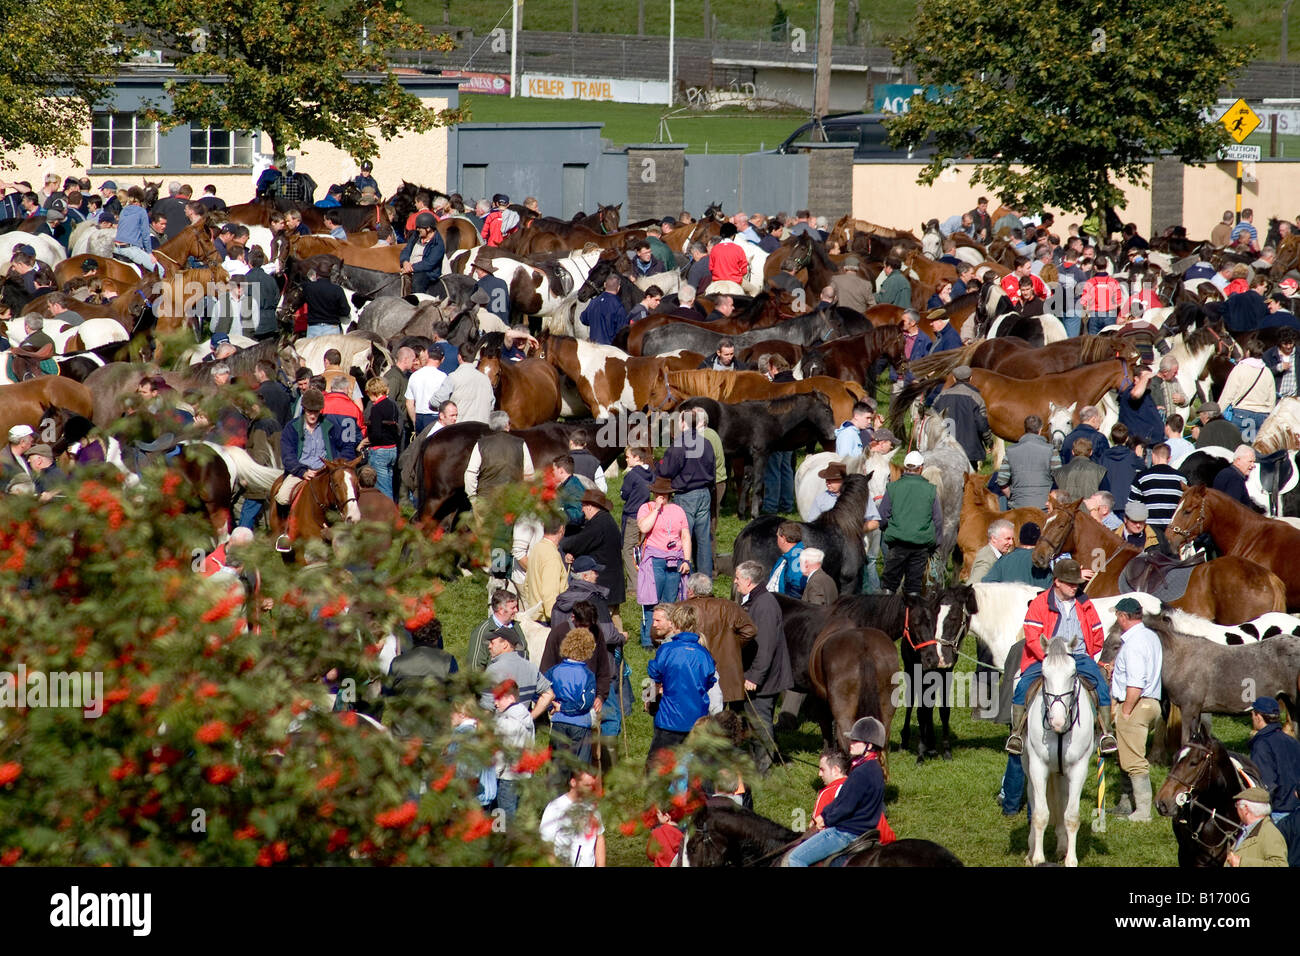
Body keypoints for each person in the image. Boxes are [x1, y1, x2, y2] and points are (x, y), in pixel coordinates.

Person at [1005, 559, 1118, 757]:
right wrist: (1049, 658)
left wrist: (1088, 654)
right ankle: (1017, 734)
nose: (1075, 587)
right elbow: (1032, 638)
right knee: (1022, 687)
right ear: (1057, 581)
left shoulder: (1085, 603)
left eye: (1076, 583)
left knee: (1100, 683)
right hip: (1045, 657)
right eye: (1070, 583)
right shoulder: (1040, 603)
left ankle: (1105, 733)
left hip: (1079, 656)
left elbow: (1097, 633)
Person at [785, 716, 887, 866]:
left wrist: (826, 819)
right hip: (866, 831)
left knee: (795, 858)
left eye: (855, 740)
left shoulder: (861, 772)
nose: (850, 743)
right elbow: (841, 801)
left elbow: (845, 806)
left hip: (846, 832)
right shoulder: (875, 768)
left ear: (869, 745)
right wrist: (823, 815)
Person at [1098, 598, 1164, 821]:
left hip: (1136, 704)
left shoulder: (1134, 644)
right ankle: (1128, 805)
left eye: (1117, 615)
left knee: (1133, 760)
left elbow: (1135, 683)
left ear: (1124, 617)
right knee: (1129, 755)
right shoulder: (1150, 637)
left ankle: (1143, 812)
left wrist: (1126, 710)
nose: (1117, 619)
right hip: (1152, 703)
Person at [733, 560, 793, 774]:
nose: (735, 582)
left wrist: (755, 677)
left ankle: (763, 769)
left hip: (763, 679)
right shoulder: (754, 600)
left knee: (760, 722)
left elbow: (765, 645)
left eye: (737, 578)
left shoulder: (764, 605)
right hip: (757, 675)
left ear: (748, 581)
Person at [645, 603, 717, 768]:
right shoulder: (704, 653)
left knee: (658, 766)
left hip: (669, 718)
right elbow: (710, 680)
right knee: (694, 768)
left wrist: (649, 697)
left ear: (675, 624)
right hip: (697, 718)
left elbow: (654, 675)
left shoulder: (667, 649)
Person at [656, 409, 715, 577]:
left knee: (683, 538)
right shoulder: (707, 443)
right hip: (704, 493)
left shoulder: (679, 445)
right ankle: (705, 580)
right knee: (703, 540)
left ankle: (685, 577)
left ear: (683, 423)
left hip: (686, 495)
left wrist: (657, 464)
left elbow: (666, 470)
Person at [684, 572, 756, 708]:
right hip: (726, 671)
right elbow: (750, 630)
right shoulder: (729, 606)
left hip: (692, 668)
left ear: (691, 591)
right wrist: (732, 645)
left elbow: (659, 633)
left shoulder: (682, 608)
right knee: (724, 719)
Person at [636, 476, 692, 648]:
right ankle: (648, 640)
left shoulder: (678, 511)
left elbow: (685, 536)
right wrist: (656, 509)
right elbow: (644, 528)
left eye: (666, 494)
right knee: (651, 601)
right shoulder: (646, 508)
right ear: (654, 493)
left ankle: (668, 639)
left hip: (675, 559)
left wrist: (687, 560)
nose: (663, 496)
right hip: (654, 560)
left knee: (670, 602)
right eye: (659, 493)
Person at [560, 491, 624, 608]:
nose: (582, 510)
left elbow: (576, 543)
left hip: (603, 586)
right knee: (614, 623)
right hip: (611, 585)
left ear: (589, 507)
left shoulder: (597, 524)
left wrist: (570, 549)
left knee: (604, 623)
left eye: (583, 506)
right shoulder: (606, 519)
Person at [545, 627, 599, 765]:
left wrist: (552, 706)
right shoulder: (588, 675)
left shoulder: (554, 671)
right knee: (580, 772)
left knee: (557, 770)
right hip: (580, 726)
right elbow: (585, 703)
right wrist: (564, 707)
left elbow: (541, 693)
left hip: (558, 724)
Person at [1247, 696, 1300, 822]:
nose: (1252, 718)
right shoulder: (1293, 741)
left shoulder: (1262, 745)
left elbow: (1266, 785)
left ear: (1258, 716)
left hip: (1278, 813)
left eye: (1253, 714)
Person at [538, 767, 606, 867]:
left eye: (592, 786)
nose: (590, 790)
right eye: (586, 785)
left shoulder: (592, 806)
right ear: (573, 783)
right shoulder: (555, 807)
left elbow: (599, 837)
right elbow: (546, 844)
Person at [1128, 443, 1186, 552]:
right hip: (1173, 530)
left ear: (1153, 456)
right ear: (1169, 458)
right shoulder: (1181, 478)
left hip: (1150, 532)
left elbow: (1133, 506)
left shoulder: (1142, 477)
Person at [491, 679, 534, 822]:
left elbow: (503, 753)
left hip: (506, 777)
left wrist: (494, 774)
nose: (495, 703)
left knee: (502, 815)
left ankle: (503, 842)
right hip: (523, 775)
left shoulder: (507, 721)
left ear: (511, 698)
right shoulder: (526, 716)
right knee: (517, 812)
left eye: (498, 699)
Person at [932, 366, 991, 469]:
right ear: (971, 378)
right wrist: (989, 443)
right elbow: (982, 425)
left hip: (944, 449)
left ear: (954, 378)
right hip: (969, 452)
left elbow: (931, 422)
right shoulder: (976, 397)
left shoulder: (941, 396)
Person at [996, 415, 1059, 511]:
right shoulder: (1051, 450)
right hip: (1044, 506)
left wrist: (1012, 496)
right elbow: (1059, 477)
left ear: (1025, 429)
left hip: (1019, 507)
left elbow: (1001, 480)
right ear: (1040, 430)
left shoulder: (1010, 450)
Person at [1217, 338, 1275, 440]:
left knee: (1240, 448)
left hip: (1242, 414)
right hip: (1263, 416)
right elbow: (1272, 400)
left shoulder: (1240, 369)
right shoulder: (1267, 372)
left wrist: (1216, 414)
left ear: (1247, 352)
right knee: (1257, 451)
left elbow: (1228, 394)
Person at [521, 515, 568, 625]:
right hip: (548, 620)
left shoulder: (537, 548)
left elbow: (527, 585)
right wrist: (557, 622)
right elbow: (550, 594)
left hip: (535, 616)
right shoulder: (551, 556)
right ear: (561, 529)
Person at [1225, 787, 1288, 867]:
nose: (1236, 809)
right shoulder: (1248, 830)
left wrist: (1242, 863)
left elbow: (1280, 865)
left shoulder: (1269, 834)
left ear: (1246, 809)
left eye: (1237, 805)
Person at [467, 589, 527, 671]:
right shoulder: (482, 631)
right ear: (501, 610)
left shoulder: (516, 626)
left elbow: (524, 652)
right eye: (513, 608)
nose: (516, 610)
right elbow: (474, 666)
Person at [984, 522, 1054, 588]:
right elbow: (1049, 590)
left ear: (1019, 540)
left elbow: (987, 584)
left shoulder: (1003, 560)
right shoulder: (1041, 562)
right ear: (1039, 541)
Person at [399, 211, 446, 294]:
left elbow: (429, 263)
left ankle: (419, 304)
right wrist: (405, 261)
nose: (417, 229)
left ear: (428, 228)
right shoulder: (415, 236)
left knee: (418, 283)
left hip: (426, 273)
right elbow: (406, 250)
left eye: (420, 227)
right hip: (409, 268)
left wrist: (411, 268)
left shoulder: (438, 243)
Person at [579, 274, 628, 346]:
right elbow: (622, 332)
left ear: (605, 285)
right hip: (609, 350)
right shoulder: (618, 306)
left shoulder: (593, 302)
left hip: (594, 347)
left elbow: (583, 319)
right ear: (619, 287)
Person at [969, 519, 1015, 584]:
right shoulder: (985, 560)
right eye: (1007, 539)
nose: (1011, 543)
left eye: (1012, 539)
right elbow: (974, 586)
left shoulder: (999, 554)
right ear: (994, 538)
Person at [1212, 444, 1258, 509]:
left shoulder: (1224, 473)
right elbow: (1233, 508)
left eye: (1253, 462)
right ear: (1238, 460)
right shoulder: (1235, 479)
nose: (1253, 465)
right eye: (1250, 461)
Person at [768, 522, 807, 597]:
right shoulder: (788, 555)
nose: (776, 540)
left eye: (778, 536)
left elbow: (797, 586)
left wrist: (786, 603)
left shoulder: (797, 558)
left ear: (783, 539)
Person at [0, 425, 36, 494]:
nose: (32, 439)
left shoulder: (24, 457)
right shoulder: (4, 461)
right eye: (30, 437)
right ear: (22, 442)